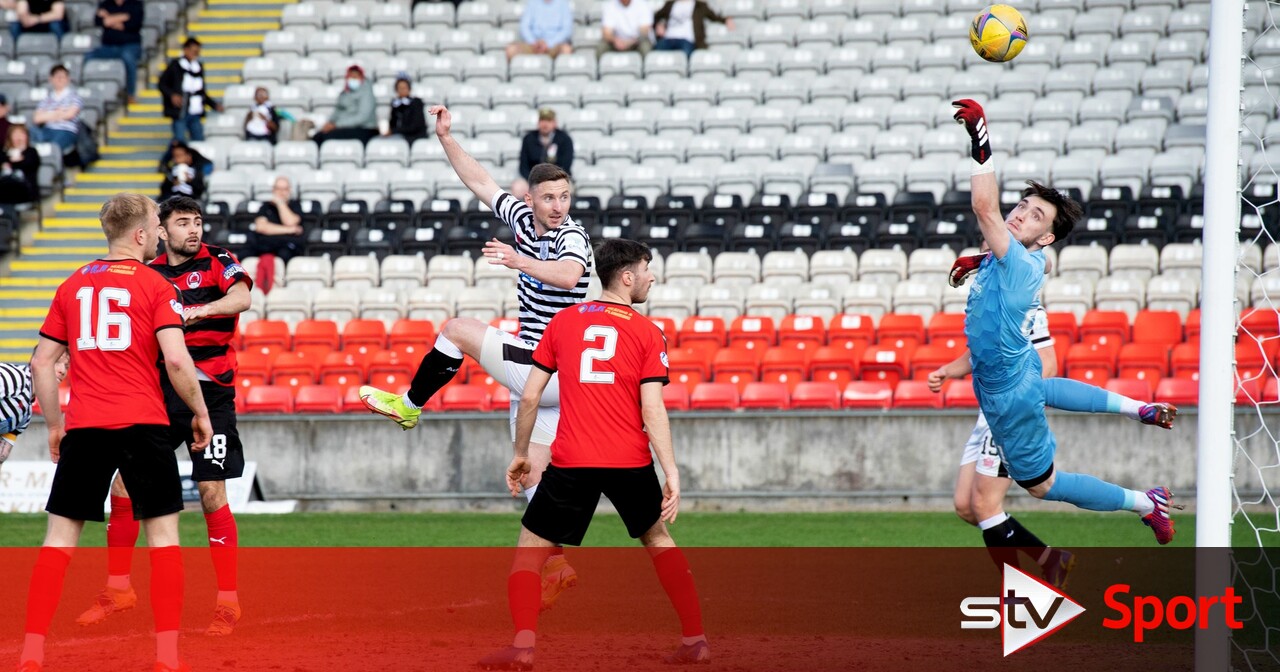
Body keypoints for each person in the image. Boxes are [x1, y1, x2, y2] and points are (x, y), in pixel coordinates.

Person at [360, 104, 592, 609]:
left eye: (565, 196)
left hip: (550, 366)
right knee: (532, 474)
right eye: (550, 197)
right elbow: (480, 180)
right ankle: (556, 563)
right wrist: (446, 138)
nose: (558, 205)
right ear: (529, 198)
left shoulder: (570, 234)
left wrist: (517, 259)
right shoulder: (521, 216)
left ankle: (410, 405)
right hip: (548, 384)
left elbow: (571, 276)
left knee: (457, 329)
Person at [951, 97, 1177, 544]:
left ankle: (1051, 573)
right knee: (971, 503)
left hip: (1009, 397)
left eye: (1036, 215)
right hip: (1006, 381)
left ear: (1047, 236)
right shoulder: (1016, 258)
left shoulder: (1018, 261)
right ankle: (1141, 427)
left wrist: (980, 138)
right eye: (1022, 206)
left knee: (1023, 493)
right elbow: (1037, 261)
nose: (1019, 214)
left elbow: (983, 206)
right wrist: (978, 261)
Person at [477, 239, 706, 669]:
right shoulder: (647, 332)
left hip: (572, 460)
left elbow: (529, 398)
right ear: (626, 276)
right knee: (658, 539)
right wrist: (670, 470)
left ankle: (523, 647)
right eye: (646, 268)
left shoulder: (563, 323)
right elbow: (652, 406)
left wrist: (521, 454)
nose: (651, 276)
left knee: (529, 551)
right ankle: (695, 640)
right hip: (630, 460)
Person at [19, 193, 212, 672]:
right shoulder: (154, 284)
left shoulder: (72, 284)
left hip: (85, 424)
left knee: (58, 540)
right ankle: (167, 656)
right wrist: (200, 411)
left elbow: (42, 363)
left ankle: (31, 651)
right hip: (144, 422)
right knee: (164, 538)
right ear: (144, 234)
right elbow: (175, 358)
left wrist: (55, 425)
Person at [77, 196, 251, 637]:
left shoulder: (219, 260)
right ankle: (118, 590)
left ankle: (227, 603)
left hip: (211, 396)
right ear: (161, 231)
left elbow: (242, 298)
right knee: (123, 484)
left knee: (211, 491)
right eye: (182, 223)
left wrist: (196, 311)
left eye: (197, 222)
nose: (193, 230)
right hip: (159, 394)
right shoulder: (147, 274)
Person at [0, 350, 68, 469]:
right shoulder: (13, 377)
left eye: (66, 366)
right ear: (36, 362)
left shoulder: (25, 414)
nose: (63, 371)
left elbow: (2, 454)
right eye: (57, 362)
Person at [159, 37, 221, 143]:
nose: (196, 54)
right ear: (186, 50)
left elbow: (201, 91)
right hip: (181, 110)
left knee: (198, 139)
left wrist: (214, 105)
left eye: (197, 52)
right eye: (194, 51)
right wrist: (172, 95)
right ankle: (167, 159)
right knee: (180, 139)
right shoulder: (175, 65)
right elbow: (162, 84)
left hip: (195, 109)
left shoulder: (198, 67)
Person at [83, 0, 143, 103]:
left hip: (130, 45)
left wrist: (109, 18)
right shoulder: (106, 3)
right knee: (88, 56)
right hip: (108, 46)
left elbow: (134, 24)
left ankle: (130, 94)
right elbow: (99, 22)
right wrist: (123, 17)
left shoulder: (135, 3)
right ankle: (85, 92)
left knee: (128, 58)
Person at [313, 64, 377, 145]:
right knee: (318, 136)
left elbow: (362, 117)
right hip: (346, 127)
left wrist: (337, 125)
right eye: (350, 77)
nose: (352, 79)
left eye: (355, 77)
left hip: (365, 129)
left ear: (361, 78)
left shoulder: (367, 93)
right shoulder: (345, 93)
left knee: (325, 138)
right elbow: (338, 111)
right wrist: (330, 123)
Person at [248, 175, 305, 262]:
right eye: (279, 189)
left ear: (289, 190)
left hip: (286, 247)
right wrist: (290, 230)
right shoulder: (266, 207)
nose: (281, 192)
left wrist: (280, 203)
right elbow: (261, 227)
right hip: (265, 246)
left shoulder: (295, 206)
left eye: (285, 189)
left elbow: (290, 222)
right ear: (273, 190)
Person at [653, 0, 734, 57]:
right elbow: (654, 18)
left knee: (686, 54)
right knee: (655, 55)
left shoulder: (700, 6)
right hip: (668, 39)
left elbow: (714, 17)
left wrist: (726, 20)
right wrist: (659, 25)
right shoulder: (669, 4)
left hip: (687, 41)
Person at [30, 64, 81, 154]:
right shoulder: (46, 99)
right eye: (57, 77)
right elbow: (37, 119)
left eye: (63, 77)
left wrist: (48, 114)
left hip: (65, 131)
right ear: (51, 79)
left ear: (68, 79)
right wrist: (58, 113)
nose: (60, 79)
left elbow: (70, 114)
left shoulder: (74, 97)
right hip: (47, 130)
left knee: (53, 149)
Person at [506, 0, 574, 60]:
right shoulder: (532, 2)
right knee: (511, 50)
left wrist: (549, 44)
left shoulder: (563, 3)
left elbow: (566, 30)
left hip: (553, 45)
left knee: (566, 50)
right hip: (533, 44)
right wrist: (533, 42)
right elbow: (524, 27)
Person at [518, 108, 574, 180]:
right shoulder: (529, 139)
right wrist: (532, 180)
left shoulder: (564, 139)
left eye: (549, 121)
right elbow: (523, 166)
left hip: (558, 179)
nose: (545, 124)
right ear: (538, 122)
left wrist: (552, 180)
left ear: (555, 123)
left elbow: (566, 165)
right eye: (542, 120)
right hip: (533, 179)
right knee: (518, 186)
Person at [0, 124, 40, 205]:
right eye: (15, 134)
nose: (19, 137)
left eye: (21, 134)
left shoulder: (31, 152)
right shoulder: (4, 153)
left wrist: (16, 161)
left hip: (25, 188)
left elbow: (29, 165)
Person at [387, 76, 427, 143]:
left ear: (409, 89)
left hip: (415, 137)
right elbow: (392, 122)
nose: (402, 90)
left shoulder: (416, 102)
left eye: (404, 88)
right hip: (401, 137)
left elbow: (415, 126)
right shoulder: (395, 104)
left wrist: (394, 131)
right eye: (399, 88)